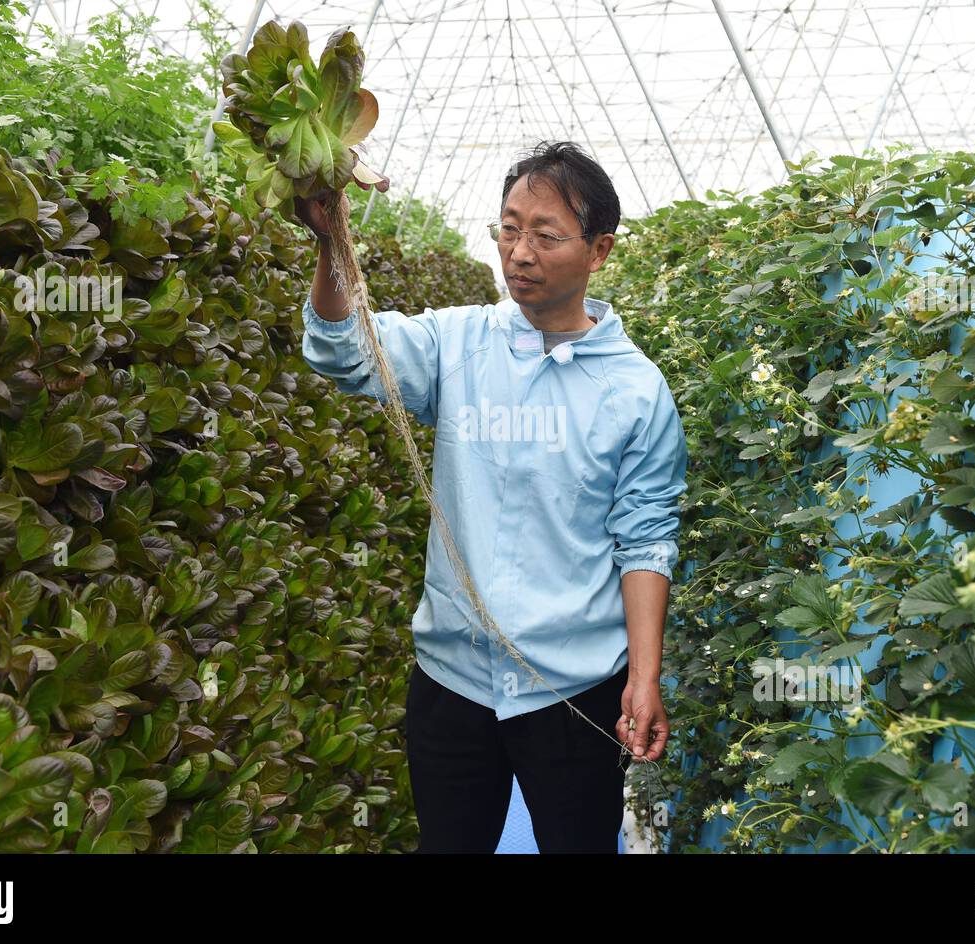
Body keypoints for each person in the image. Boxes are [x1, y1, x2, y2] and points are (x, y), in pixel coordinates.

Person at [295, 141, 688, 854]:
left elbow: (646, 537)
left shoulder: (635, 390)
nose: (519, 252)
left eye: (545, 234)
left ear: (599, 251)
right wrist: (331, 244)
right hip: (453, 682)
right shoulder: (458, 342)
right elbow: (343, 350)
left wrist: (644, 675)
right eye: (508, 228)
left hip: (573, 687)